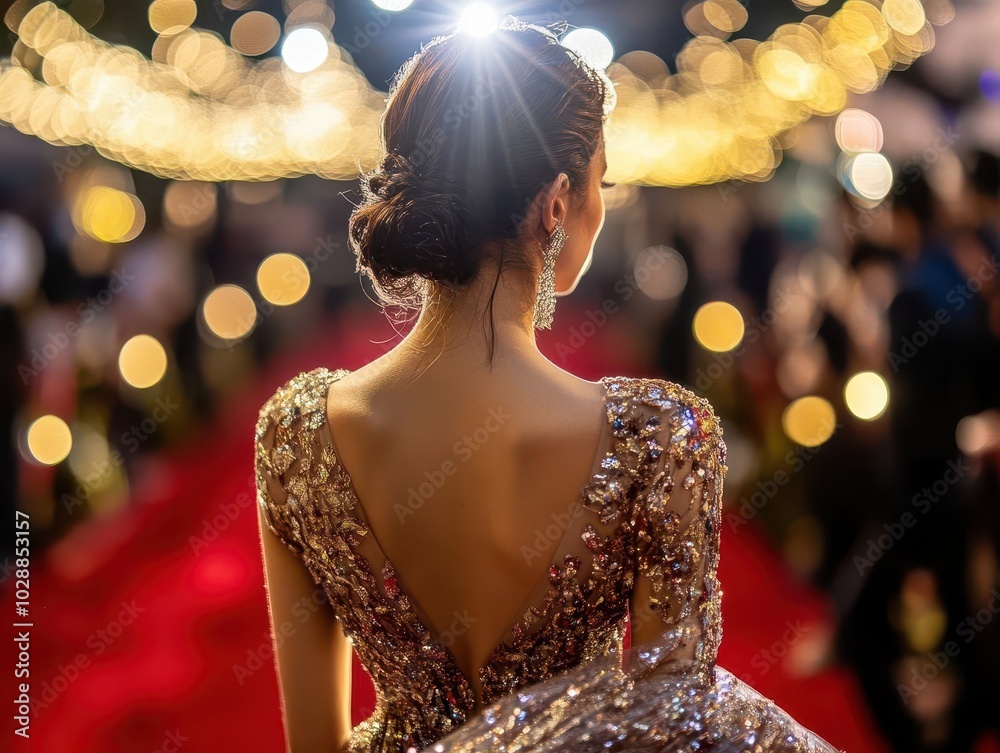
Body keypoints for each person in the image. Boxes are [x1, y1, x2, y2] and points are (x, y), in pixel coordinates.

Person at [254, 18, 842, 753]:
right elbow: (679, 730)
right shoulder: (659, 438)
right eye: (606, 182)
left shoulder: (294, 433)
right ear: (558, 201)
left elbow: (312, 745)